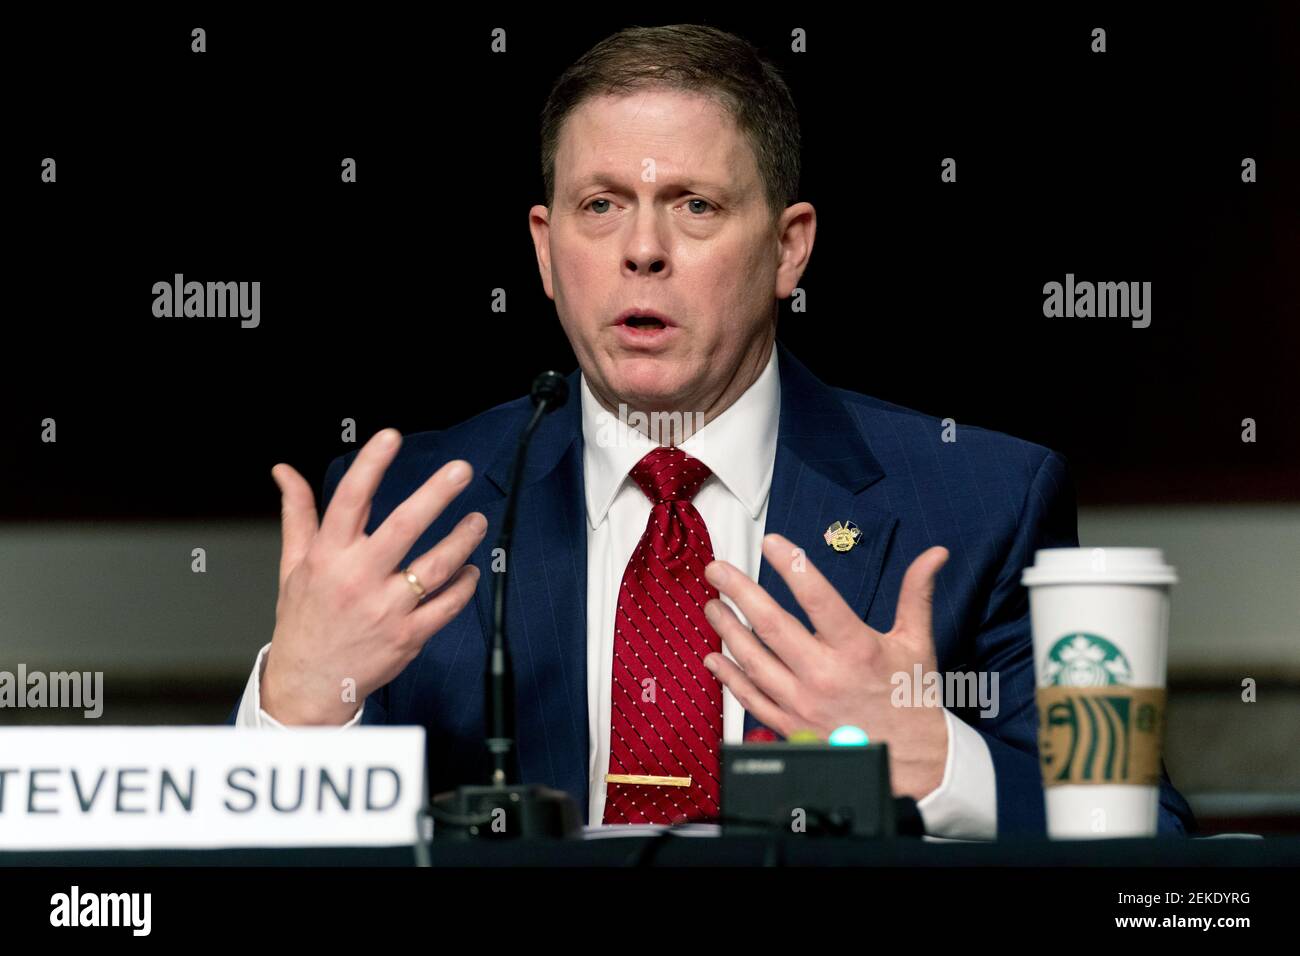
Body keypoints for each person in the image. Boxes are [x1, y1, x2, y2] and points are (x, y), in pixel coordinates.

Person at [228, 24, 1194, 838]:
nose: (641, 250)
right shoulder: (406, 513)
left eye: (694, 205)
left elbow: (1154, 840)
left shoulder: (978, 502)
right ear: (546, 250)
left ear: (788, 248)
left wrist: (934, 758)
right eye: (600, 206)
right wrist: (297, 711)